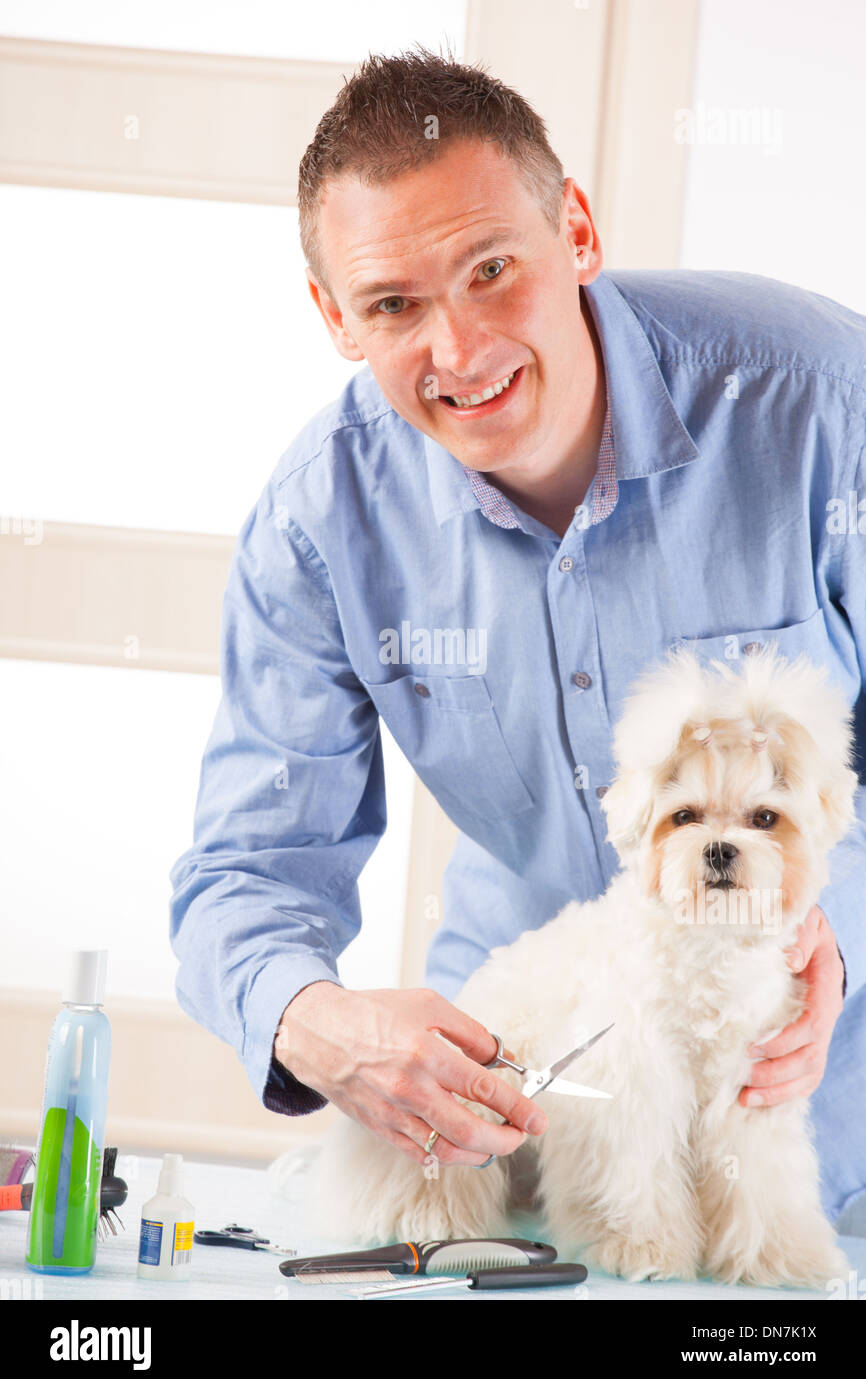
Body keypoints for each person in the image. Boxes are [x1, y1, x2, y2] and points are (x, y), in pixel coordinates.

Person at [169, 47, 866, 1222]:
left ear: (576, 233)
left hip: (825, 1127)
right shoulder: (316, 524)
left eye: (492, 269)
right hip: (523, 1122)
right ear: (334, 317)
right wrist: (316, 1024)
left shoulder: (821, 405)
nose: (461, 349)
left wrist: (819, 923)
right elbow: (248, 870)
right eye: (393, 304)